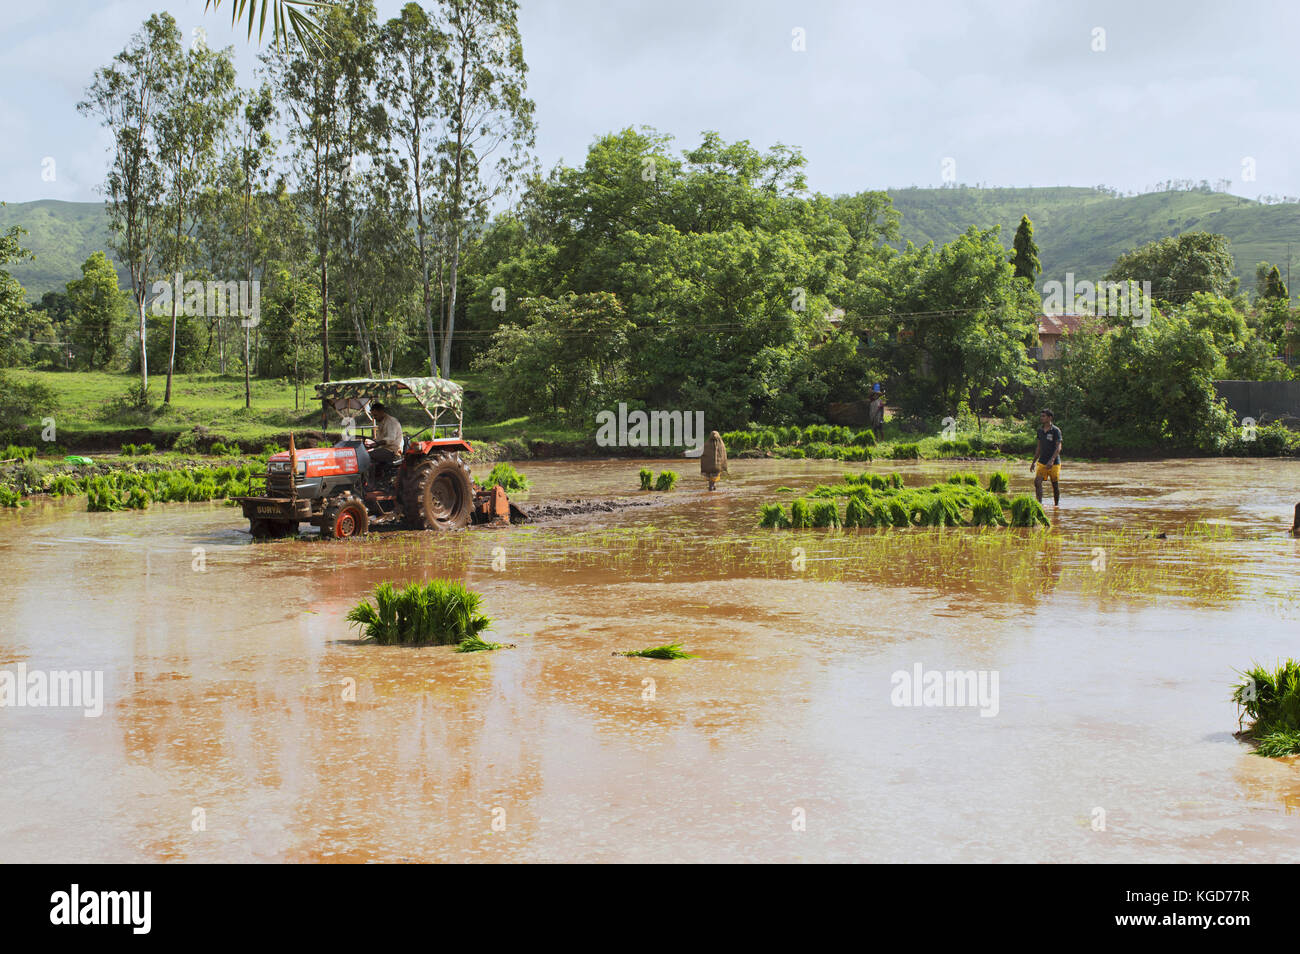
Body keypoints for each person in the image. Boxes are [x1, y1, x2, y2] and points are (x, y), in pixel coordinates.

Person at [1031, 409, 1063, 506]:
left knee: (1055, 485)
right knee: (1037, 482)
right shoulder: (1040, 431)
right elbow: (1039, 447)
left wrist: (1052, 460)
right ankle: (1039, 504)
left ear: (1050, 418)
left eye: (1044, 416)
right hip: (1042, 461)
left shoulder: (1056, 431)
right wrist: (1033, 462)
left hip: (1054, 463)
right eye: (1041, 416)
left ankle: (1056, 506)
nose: (1042, 418)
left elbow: (1058, 447)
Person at [369, 401, 404, 470]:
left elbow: (390, 439)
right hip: (385, 449)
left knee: (367, 456)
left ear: (382, 412)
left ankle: (370, 479)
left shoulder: (391, 421)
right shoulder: (382, 422)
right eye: (373, 416)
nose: (374, 418)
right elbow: (380, 439)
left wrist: (377, 444)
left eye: (375, 415)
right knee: (366, 454)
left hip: (392, 451)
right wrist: (371, 443)